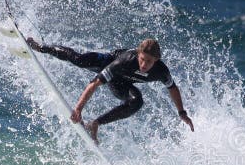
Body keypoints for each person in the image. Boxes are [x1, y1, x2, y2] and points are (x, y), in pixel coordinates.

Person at [25, 37, 194, 143]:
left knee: (137, 101)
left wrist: (182, 113)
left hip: (122, 84)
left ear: (156, 60)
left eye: (149, 62)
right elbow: (95, 83)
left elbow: (172, 88)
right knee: (79, 59)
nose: (144, 65)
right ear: (138, 53)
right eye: (142, 59)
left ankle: (95, 124)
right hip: (107, 63)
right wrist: (78, 109)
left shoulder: (161, 71)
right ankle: (40, 47)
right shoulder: (126, 60)